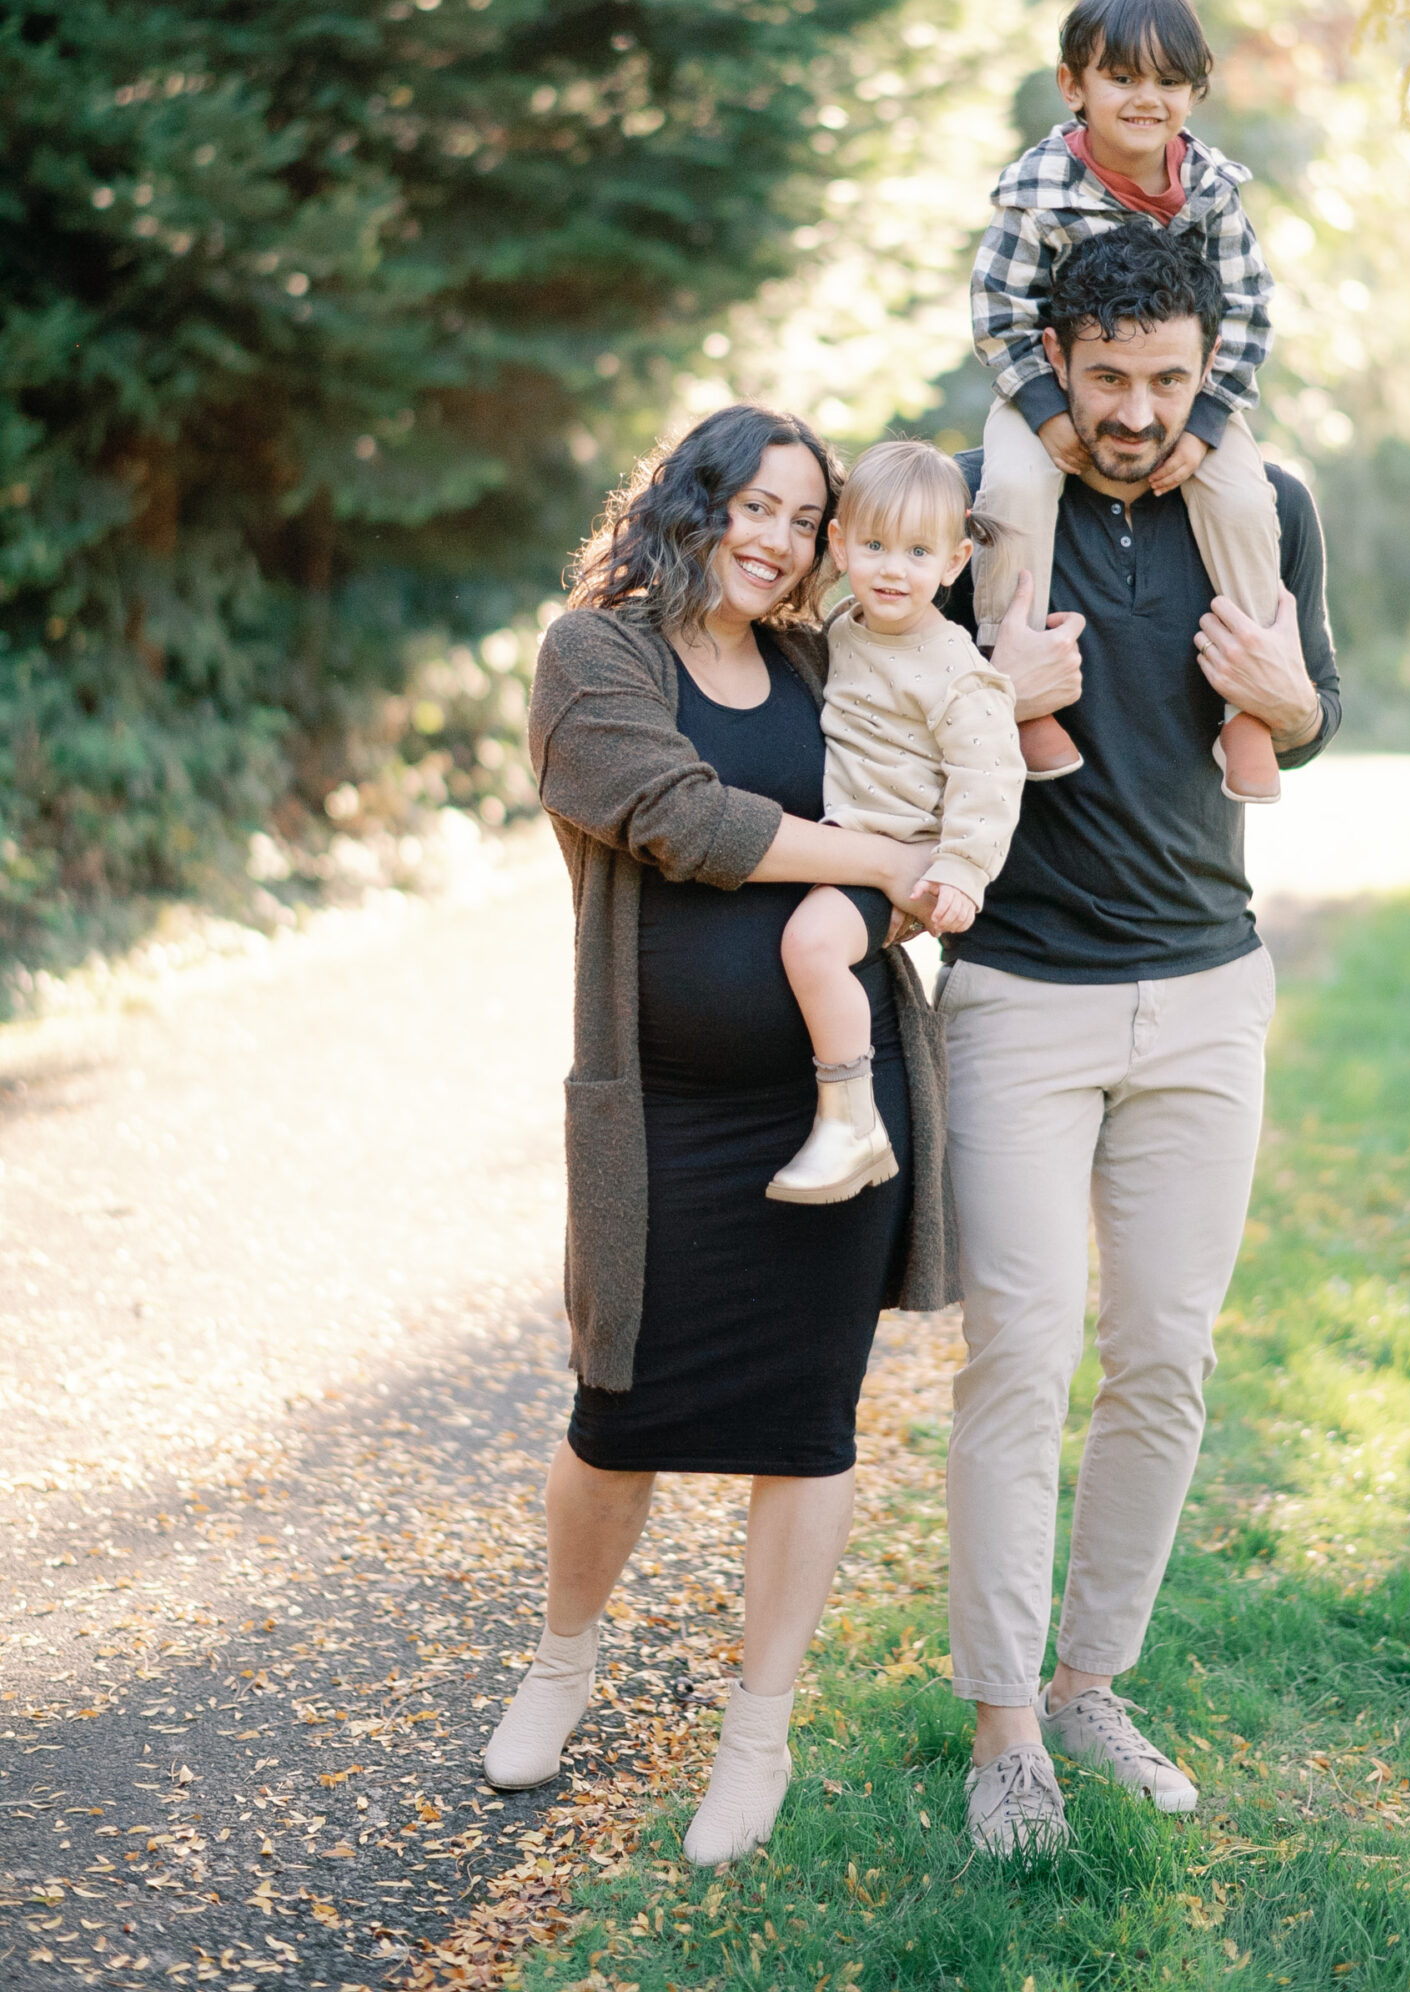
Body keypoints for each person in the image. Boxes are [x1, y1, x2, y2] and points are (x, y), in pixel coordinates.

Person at [482, 404, 957, 1869]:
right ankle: (563, 1667)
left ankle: (759, 1731)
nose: (777, 536)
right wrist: (883, 857)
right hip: (663, 1115)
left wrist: (927, 848)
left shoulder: (828, 665)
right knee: (616, 1407)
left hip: (835, 1108)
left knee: (808, 1430)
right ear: (689, 504)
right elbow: (674, 815)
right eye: (751, 503)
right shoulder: (595, 656)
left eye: (804, 518)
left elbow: (935, 774)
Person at [937, 222, 1341, 1858]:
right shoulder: (983, 513)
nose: (1133, 409)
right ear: (1055, 356)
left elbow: (1314, 718)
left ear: (1205, 363)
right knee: (1022, 1357)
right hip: (1019, 992)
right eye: (1106, 377)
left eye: (1166, 378)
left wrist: (1285, 697)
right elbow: (880, 705)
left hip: (1203, 989)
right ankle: (1003, 1731)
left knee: (1164, 1358)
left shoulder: (1266, 508)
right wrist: (991, 677)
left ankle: (1093, 1681)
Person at [968, 0, 1284, 803]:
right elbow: (998, 310)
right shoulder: (1036, 191)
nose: (1147, 98)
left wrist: (1210, 421)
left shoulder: (1213, 194)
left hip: (1187, 399)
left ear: (1195, 92)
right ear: (1074, 85)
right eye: (1121, 76)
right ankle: (1020, 671)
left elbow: (1249, 307)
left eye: (1170, 81)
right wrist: (1044, 412)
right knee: (1011, 489)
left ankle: (1247, 698)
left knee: (1249, 503)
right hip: (1050, 386)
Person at [770, 441, 1025, 1206]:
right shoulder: (842, 629)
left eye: (917, 553)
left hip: (901, 854)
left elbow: (991, 775)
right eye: (874, 545)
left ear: (953, 563)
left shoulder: (955, 668)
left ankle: (852, 1122)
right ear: (840, 545)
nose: (892, 569)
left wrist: (960, 871)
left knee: (811, 946)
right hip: (845, 847)